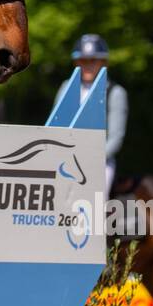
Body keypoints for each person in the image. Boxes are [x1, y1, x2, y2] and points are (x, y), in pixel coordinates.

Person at [50, 34, 127, 195]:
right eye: (83, 61)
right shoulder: (66, 87)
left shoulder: (115, 92)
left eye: (93, 60)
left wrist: (91, 158)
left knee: (95, 204)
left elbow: (116, 137)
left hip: (99, 163)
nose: (87, 65)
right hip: (64, 159)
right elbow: (56, 126)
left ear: (103, 62)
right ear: (76, 62)